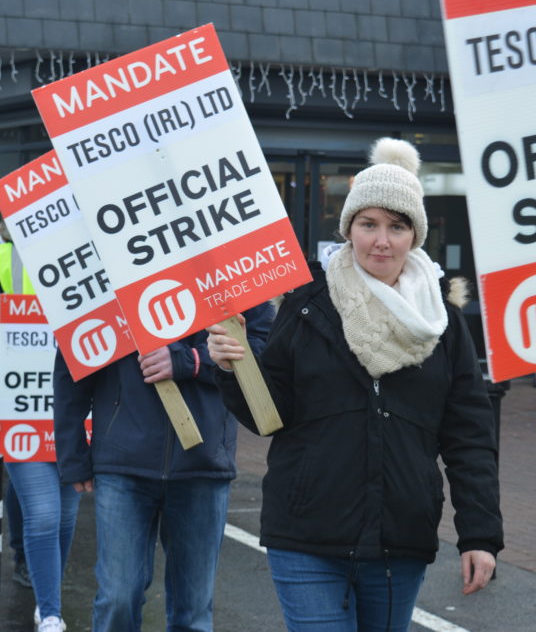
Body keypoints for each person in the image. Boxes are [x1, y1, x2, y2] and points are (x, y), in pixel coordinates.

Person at [207, 138, 503, 631]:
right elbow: (268, 413)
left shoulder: (442, 323)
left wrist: (480, 535)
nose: (381, 241)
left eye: (397, 226)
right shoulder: (306, 305)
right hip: (305, 533)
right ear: (349, 229)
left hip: (399, 537)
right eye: (368, 225)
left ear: (415, 235)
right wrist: (232, 368)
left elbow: (470, 438)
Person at [53, 293, 274, 631]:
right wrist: (71, 453)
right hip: (122, 460)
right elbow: (75, 357)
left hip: (203, 462)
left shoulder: (227, 273)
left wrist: (192, 361)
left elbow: (265, 350)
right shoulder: (107, 269)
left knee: (193, 611)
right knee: (117, 600)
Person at [0, 241, 77, 632]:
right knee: (45, 513)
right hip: (22, 405)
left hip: (75, 408)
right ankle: (50, 612)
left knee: (65, 516)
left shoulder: (98, 244)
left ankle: (49, 597)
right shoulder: (8, 257)